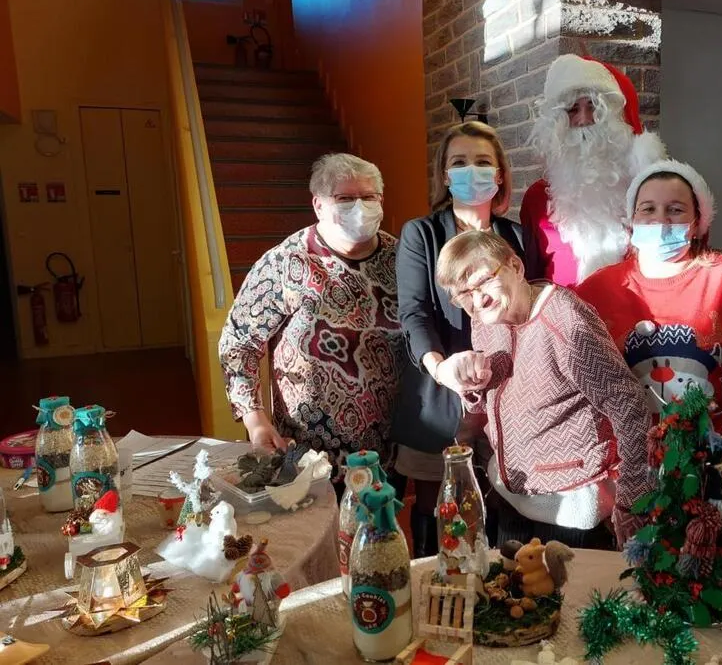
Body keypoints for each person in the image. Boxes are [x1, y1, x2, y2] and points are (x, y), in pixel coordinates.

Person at [436, 230, 651, 549]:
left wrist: (632, 502)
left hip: (571, 511)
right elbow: (494, 399)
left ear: (516, 266)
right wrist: (474, 385)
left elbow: (629, 405)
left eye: (483, 282)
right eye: (463, 294)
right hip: (514, 497)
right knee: (508, 581)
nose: (476, 299)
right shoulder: (485, 318)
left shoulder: (564, 319)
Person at [218, 153, 405, 501]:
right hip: (308, 453)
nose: (359, 207)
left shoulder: (401, 258)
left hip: (387, 449)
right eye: (345, 198)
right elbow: (238, 342)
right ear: (318, 205)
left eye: (369, 197)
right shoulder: (286, 262)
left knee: (380, 528)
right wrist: (255, 420)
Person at [393, 121, 537, 557]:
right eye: (459, 162)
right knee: (439, 508)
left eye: (482, 162)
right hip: (440, 395)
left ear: (500, 175)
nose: (471, 170)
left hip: (505, 395)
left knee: (499, 503)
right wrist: (441, 369)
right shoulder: (421, 234)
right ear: (444, 174)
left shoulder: (518, 237)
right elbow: (414, 313)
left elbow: (529, 310)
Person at [577, 159, 722, 432]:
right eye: (648, 209)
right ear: (632, 220)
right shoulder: (595, 289)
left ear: (697, 223)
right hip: (628, 448)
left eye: (675, 210)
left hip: (717, 446)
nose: (660, 220)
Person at [522, 54, 666, 287]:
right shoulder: (536, 200)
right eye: (572, 109)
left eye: (594, 107)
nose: (584, 119)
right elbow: (530, 282)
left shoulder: (646, 194)